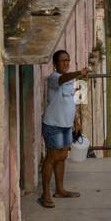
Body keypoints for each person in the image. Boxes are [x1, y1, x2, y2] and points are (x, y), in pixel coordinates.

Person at [40, 49, 87, 208]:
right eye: (62, 61)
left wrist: (76, 121)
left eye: (68, 60)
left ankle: (60, 190)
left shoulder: (70, 81)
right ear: (55, 64)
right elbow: (63, 78)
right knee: (51, 158)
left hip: (66, 126)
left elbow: (70, 101)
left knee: (62, 157)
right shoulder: (54, 78)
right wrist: (78, 73)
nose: (66, 63)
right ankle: (45, 194)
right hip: (53, 125)